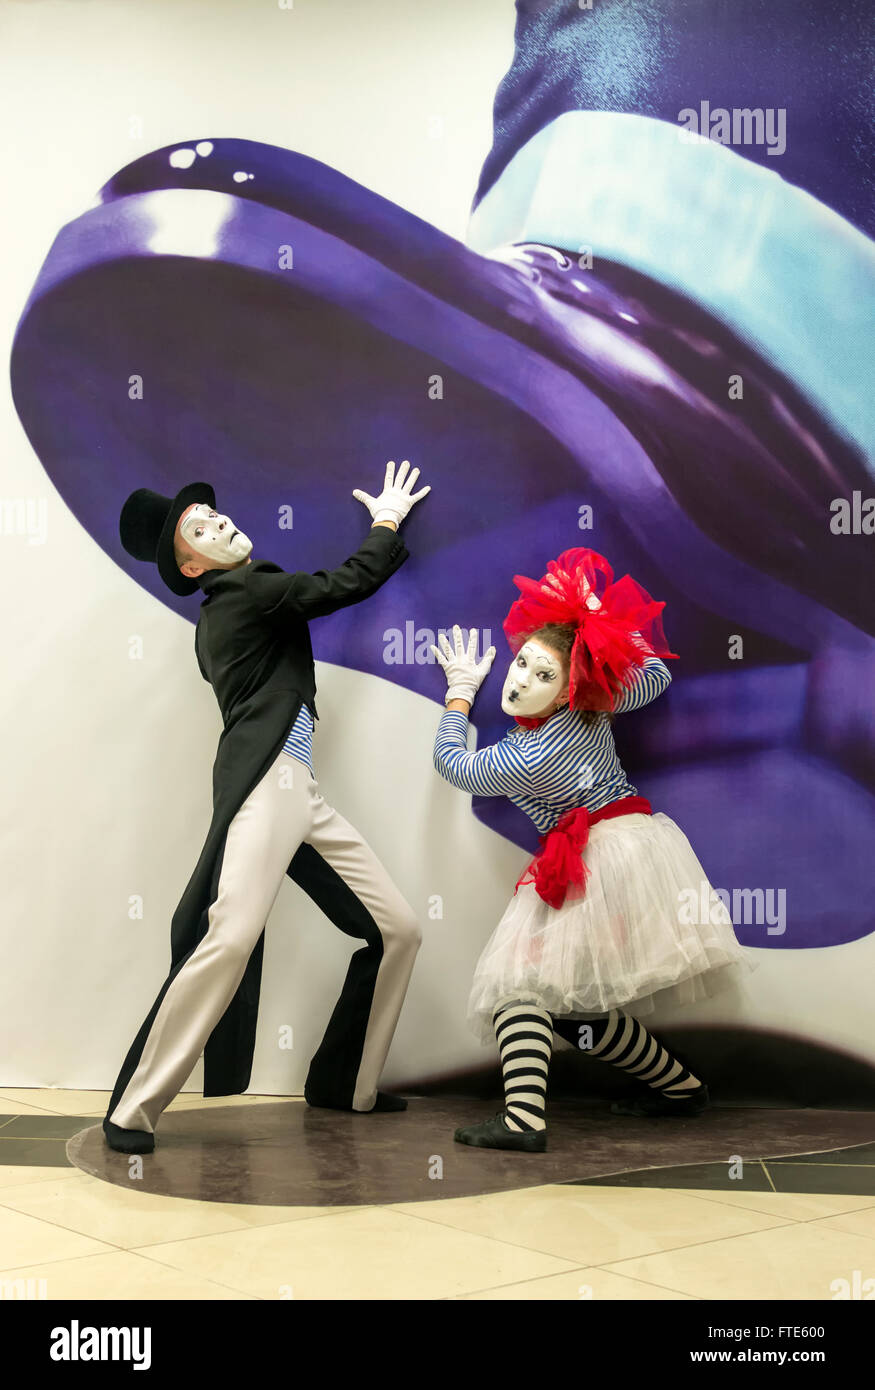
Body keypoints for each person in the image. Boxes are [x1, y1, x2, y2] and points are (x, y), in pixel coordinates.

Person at [103, 461, 429, 1153]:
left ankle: (346, 1085)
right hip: (270, 784)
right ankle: (132, 1108)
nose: (219, 520)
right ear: (191, 566)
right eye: (201, 528)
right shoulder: (247, 591)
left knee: (397, 928)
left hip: (298, 790)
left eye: (212, 514)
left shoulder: (224, 612)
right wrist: (386, 522)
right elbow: (344, 584)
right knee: (228, 938)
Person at [431, 547, 755, 1151]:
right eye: (522, 662)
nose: (521, 679)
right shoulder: (593, 704)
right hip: (632, 848)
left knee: (517, 989)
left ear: (565, 692)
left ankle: (524, 1122)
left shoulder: (521, 757)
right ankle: (681, 1088)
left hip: (597, 859)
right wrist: (603, 619)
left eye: (543, 675)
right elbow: (653, 675)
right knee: (582, 1005)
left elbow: (452, 763)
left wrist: (458, 693)